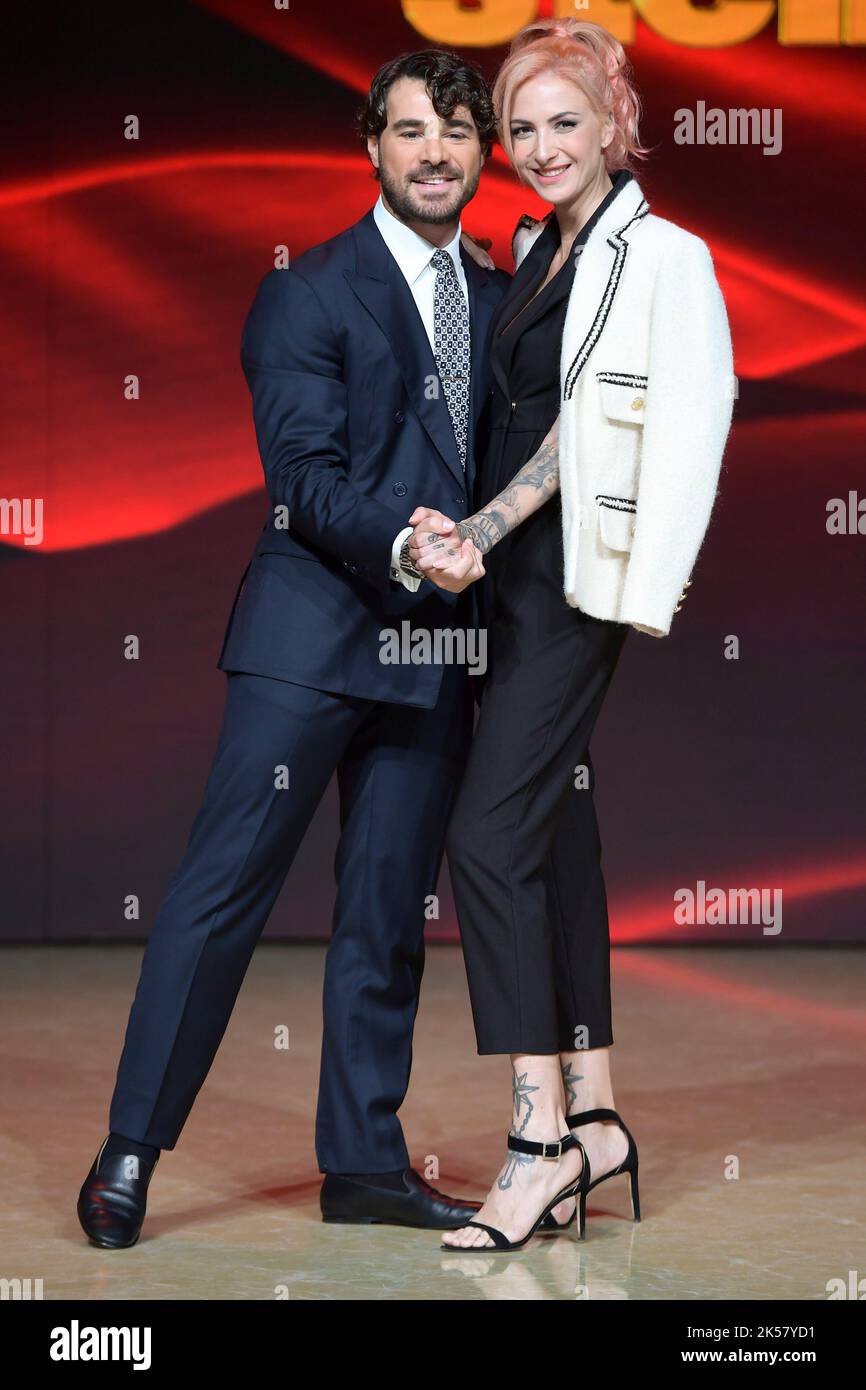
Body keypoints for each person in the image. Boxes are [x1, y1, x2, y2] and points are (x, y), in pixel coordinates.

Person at [77, 48, 512, 1248]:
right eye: (412, 130)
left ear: (485, 153)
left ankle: (363, 1163)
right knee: (219, 900)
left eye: (457, 131)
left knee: (384, 916)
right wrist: (414, 544)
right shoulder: (306, 292)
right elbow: (306, 484)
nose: (435, 152)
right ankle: (129, 1152)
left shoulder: (497, 299)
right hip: (309, 636)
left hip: (432, 654)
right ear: (369, 145)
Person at [407, 17, 736, 1251]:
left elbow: (611, 437)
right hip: (504, 583)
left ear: (613, 126)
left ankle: (539, 1138)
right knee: (550, 837)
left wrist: (485, 528)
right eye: (522, 127)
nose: (540, 147)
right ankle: (597, 1115)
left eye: (564, 122)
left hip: (571, 578)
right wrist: (467, 541)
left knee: (484, 843)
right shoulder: (532, 243)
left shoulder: (666, 258)